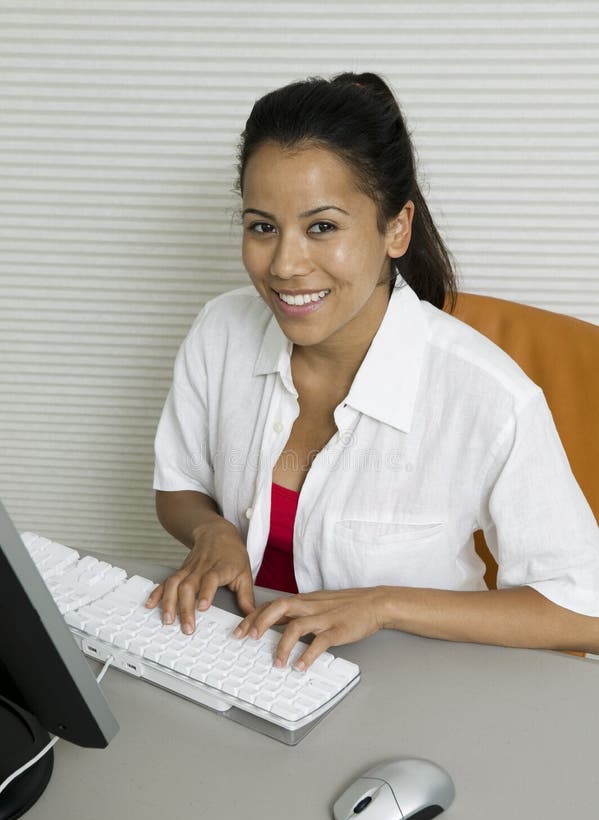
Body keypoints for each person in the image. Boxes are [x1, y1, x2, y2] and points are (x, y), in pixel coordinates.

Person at [148, 72, 599, 670]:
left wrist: (383, 605)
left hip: (413, 684)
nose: (285, 265)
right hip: (241, 662)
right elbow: (177, 487)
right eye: (262, 227)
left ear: (396, 228)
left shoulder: (489, 397)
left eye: (322, 227)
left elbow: (584, 612)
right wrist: (212, 532)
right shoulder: (219, 331)